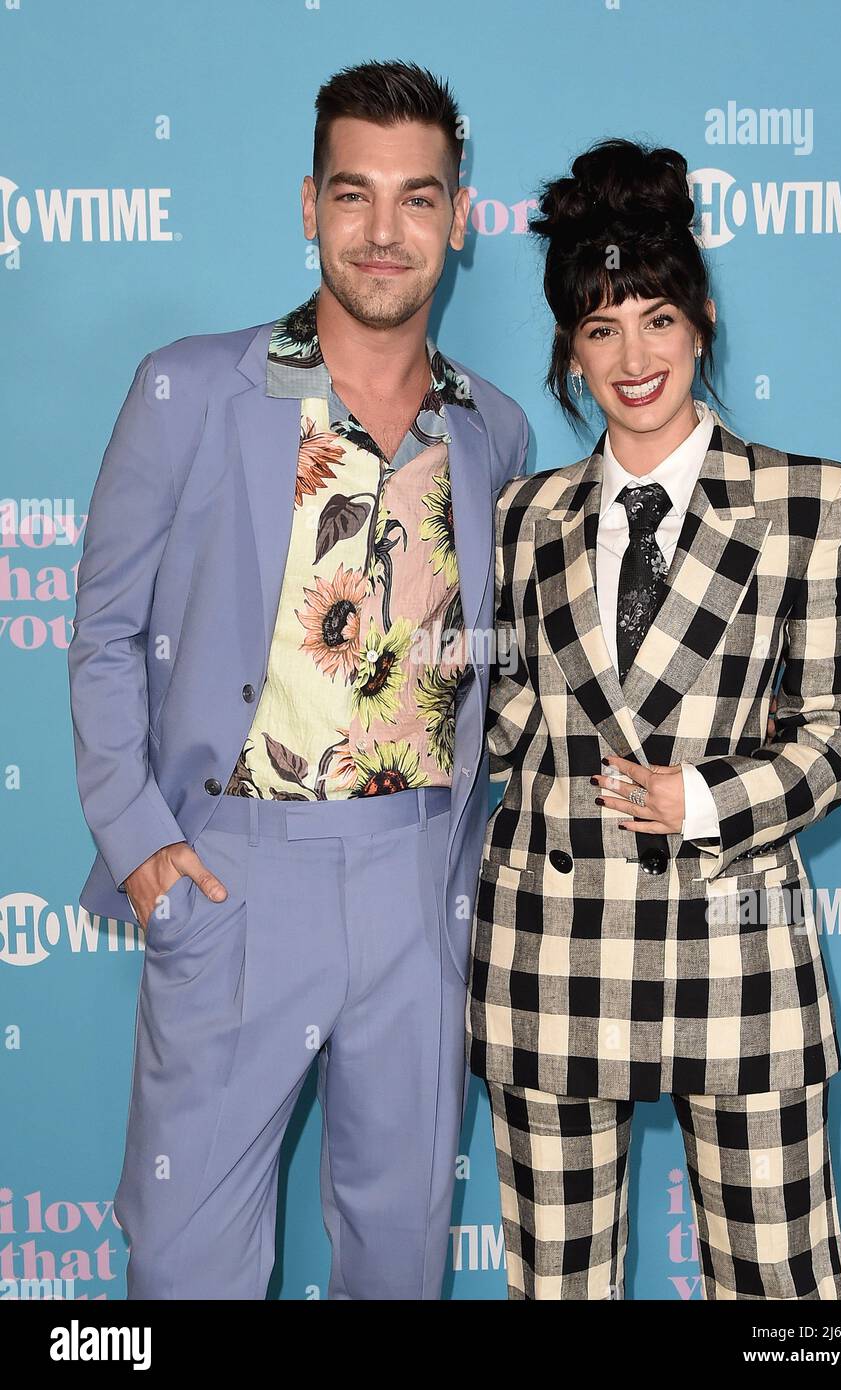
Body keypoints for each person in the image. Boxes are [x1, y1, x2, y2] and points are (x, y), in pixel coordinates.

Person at [67, 59, 528, 1300]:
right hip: (232, 869)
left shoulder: (494, 430)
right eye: (355, 195)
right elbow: (103, 628)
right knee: (185, 1265)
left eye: (418, 199)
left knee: (401, 1249)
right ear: (309, 205)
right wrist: (142, 843)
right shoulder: (191, 389)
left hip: (421, 876)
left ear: (457, 218)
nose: (385, 234)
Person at [466, 138, 841, 1300]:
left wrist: (696, 798)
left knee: (783, 1294)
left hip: (735, 944)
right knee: (558, 1284)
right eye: (600, 329)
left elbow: (836, 729)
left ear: (698, 317)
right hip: (548, 943)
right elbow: (496, 723)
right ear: (569, 350)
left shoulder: (808, 498)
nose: (631, 356)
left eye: (654, 317)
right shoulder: (522, 514)